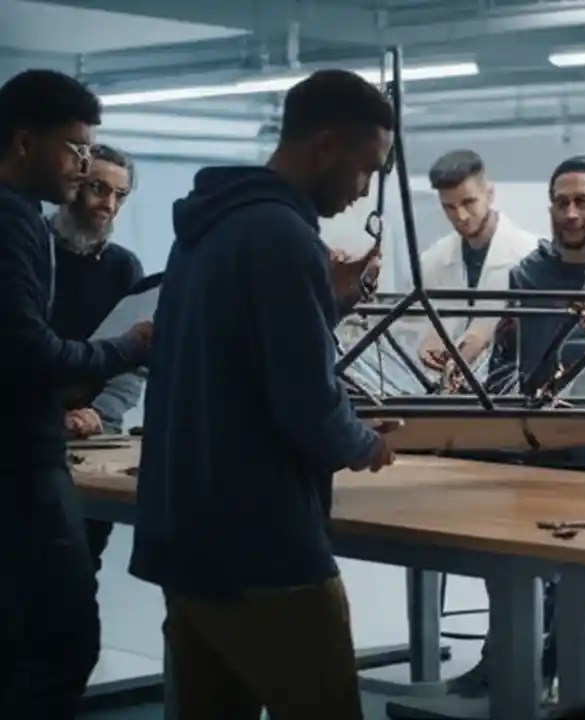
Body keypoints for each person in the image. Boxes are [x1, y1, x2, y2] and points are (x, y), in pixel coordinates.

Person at [129, 69, 399, 720]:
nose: (364, 190)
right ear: (327, 146)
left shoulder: (208, 227)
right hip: (264, 548)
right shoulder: (283, 237)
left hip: (188, 537)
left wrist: (322, 305)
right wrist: (364, 443)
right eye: (366, 170)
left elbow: (241, 356)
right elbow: (305, 403)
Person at [444, 155, 585, 700]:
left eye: (583, 201)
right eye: (562, 201)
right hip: (534, 450)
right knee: (510, 570)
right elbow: (508, 356)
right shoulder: (528, 272)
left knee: (579, 585)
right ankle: (503, 663)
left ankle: (548, 674)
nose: (571, 212)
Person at [0, 69, 152, 719]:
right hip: (22, 459)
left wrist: (105, 395)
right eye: (76, 150)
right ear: (26, 140)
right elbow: (26, 352)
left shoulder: (112, 264)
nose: (83, 169)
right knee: (61, 644)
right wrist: (127, 347)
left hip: (38, 453)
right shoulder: (15, 223)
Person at [47, 143, 146, 573]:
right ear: (73, 186)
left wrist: (97, 414)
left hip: (95, 438)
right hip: (24, 432)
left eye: (118, 195)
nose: (107, 204)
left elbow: (133, 363)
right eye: (97, 189)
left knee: (82, 571)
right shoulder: (30, 250)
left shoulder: (125, 268)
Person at [416, 149, 537, 378]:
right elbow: (414, 327)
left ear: (489, 194)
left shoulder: (529, 255)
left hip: (509, 397)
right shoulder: (433, 260)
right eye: (449, 207)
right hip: (446, 398)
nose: (460, 216)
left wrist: (487, 337)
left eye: (469, 202)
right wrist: (426, 344)